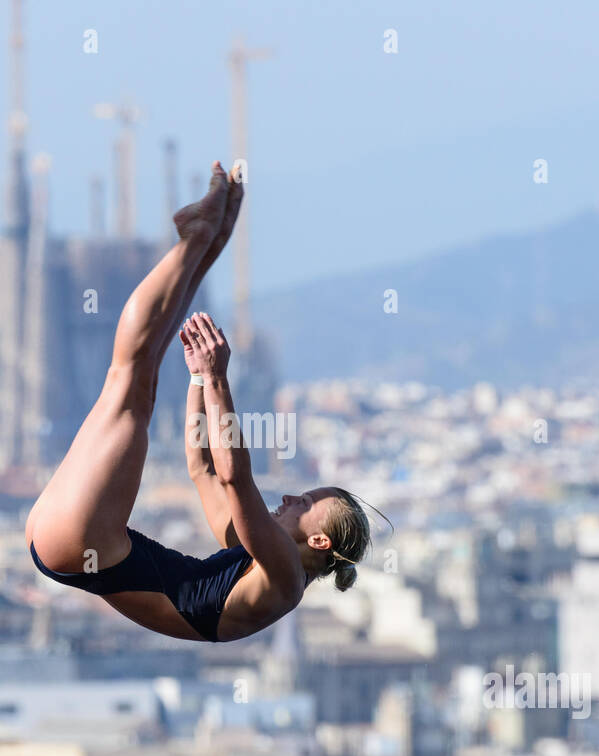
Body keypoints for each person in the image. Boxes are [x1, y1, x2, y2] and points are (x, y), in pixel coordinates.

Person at [25, 161, 381, 642]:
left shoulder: (285, 581)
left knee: (130, 377)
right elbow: (204, 468)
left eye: (306, 502)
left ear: (319, 540)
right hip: (74, 539)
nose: (293, 496)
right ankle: (204, 245)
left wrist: (217, 379)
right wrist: (197, 378)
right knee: (137, 372)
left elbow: (235, 476)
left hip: (84, 540)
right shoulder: (249, 554)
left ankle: (197, 242)